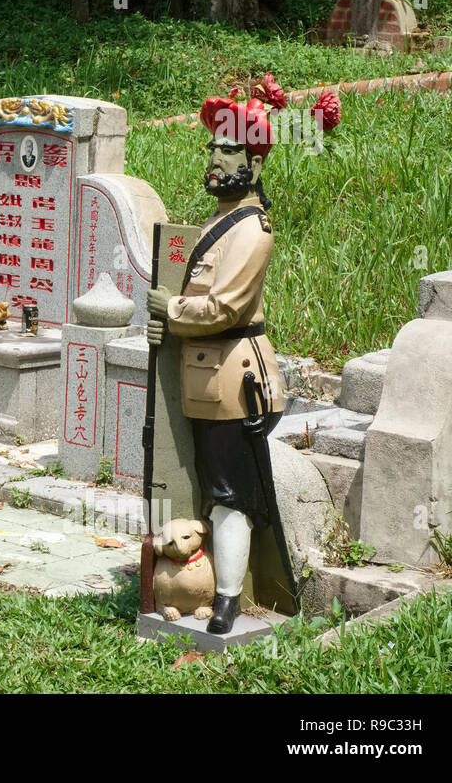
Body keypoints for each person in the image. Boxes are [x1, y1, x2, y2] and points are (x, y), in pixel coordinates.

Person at [145, 95, 284, 635]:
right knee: (201, 486)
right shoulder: (219, 220)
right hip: (196, 373)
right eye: (213, 147)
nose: (216, 158)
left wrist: (171, 311)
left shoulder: (253, 229)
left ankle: (227, 597)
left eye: (228, 149)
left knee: (228, 493)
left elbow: (225, 306)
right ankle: (191, 584)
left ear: (254, 161)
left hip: (230, 377)